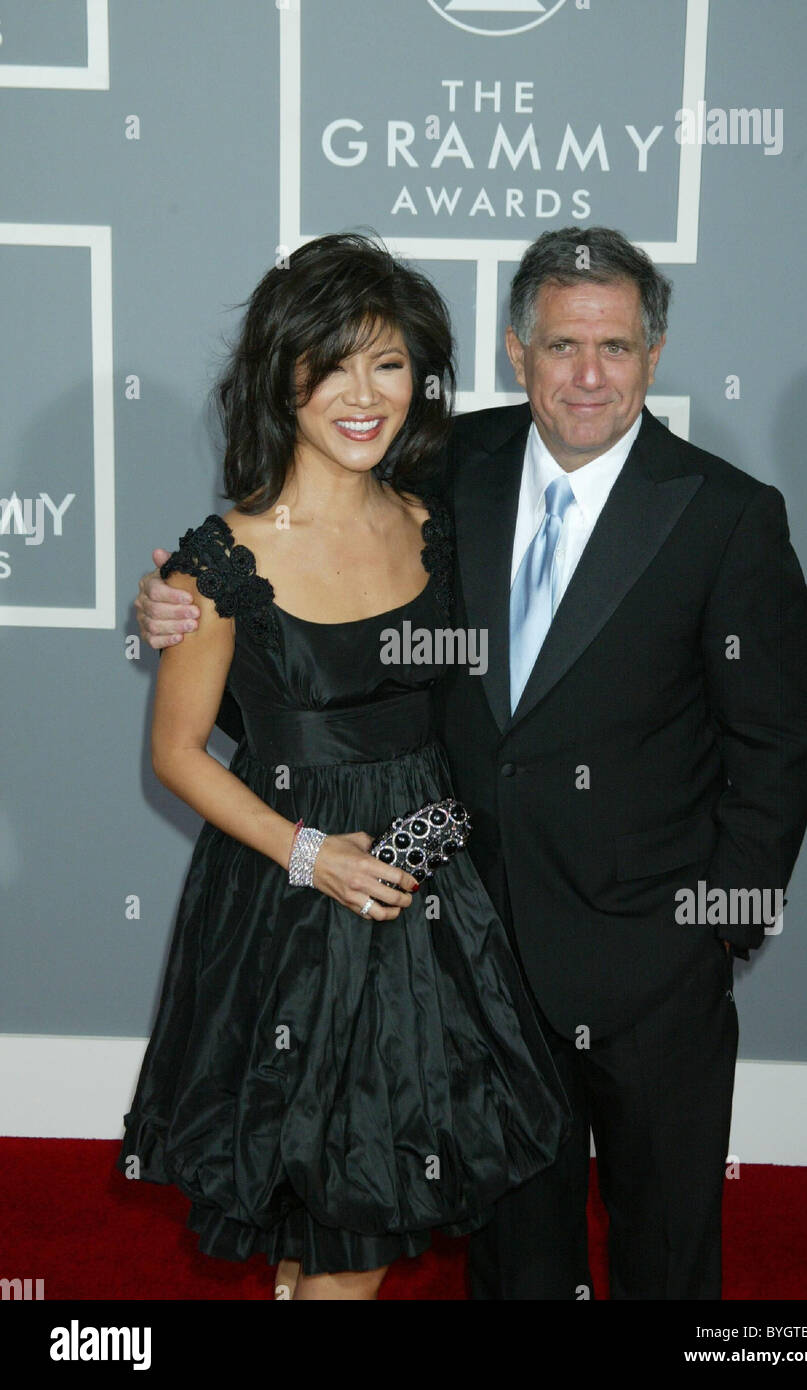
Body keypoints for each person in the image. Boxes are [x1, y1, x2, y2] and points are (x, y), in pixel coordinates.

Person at [136, 226, 807, 1301]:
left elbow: (778, 743)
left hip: (649, 957)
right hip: (471, 944)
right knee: (508, 1256)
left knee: (665, 1245)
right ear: (515, 352)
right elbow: (294, 653)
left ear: (651, 352)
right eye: (559, 346)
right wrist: (172, 601)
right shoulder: (446, 470)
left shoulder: (728, 516)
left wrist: (715, 926)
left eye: (612, 345)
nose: (585, 374)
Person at [117, 231, 570, 1302]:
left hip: (429, 897)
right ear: (283, 377)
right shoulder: (217, 561)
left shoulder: (438, 522)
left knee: (343, 1202)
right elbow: (176, 753)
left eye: (389, 363)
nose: (362, 395)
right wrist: (310, 853)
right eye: (332, 364)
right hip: (289, 900)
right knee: (342, 1205)